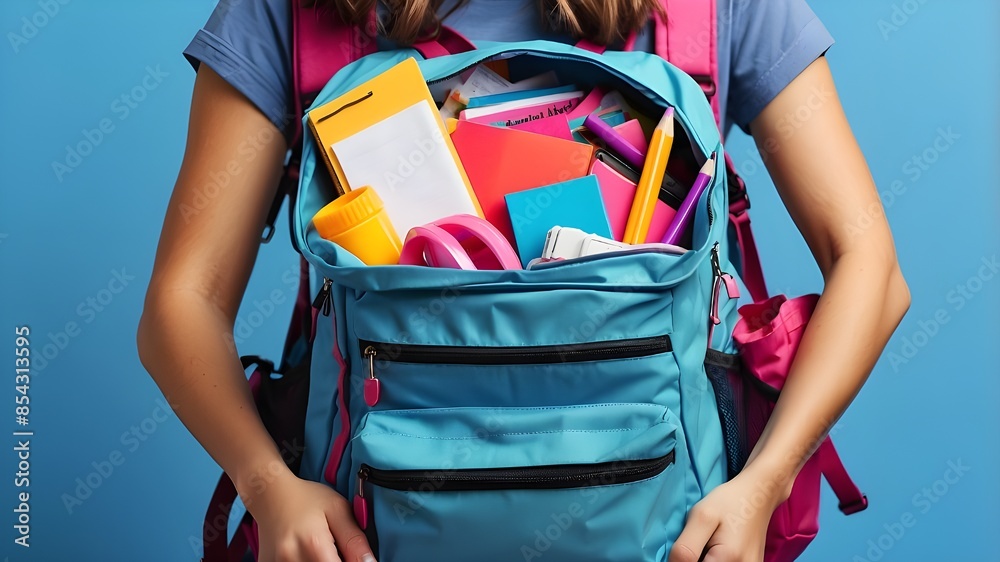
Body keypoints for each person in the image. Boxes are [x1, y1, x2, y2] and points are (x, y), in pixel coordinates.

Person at [136, 1, 910, 561]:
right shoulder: (283, 14)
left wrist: (766, 484)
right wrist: (269, 487)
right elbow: (181, 304)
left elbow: (871, 268)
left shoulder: (726, 11)